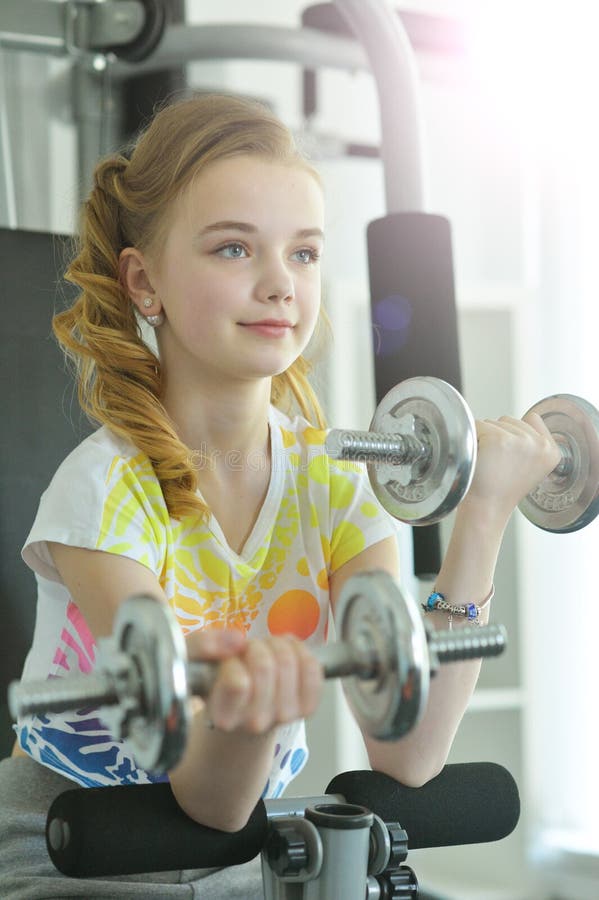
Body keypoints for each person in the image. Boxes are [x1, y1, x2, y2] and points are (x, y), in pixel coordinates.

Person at [0, 92, 560, 898]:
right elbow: (205, 790)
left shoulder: (336, 488)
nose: (279, 284)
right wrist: (256, 711)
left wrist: (483, 515)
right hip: (70, 844)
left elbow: (406, 752)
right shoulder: (105, 494)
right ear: (144, 281)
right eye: (234, 249)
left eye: (302, 254)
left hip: (243, 849)